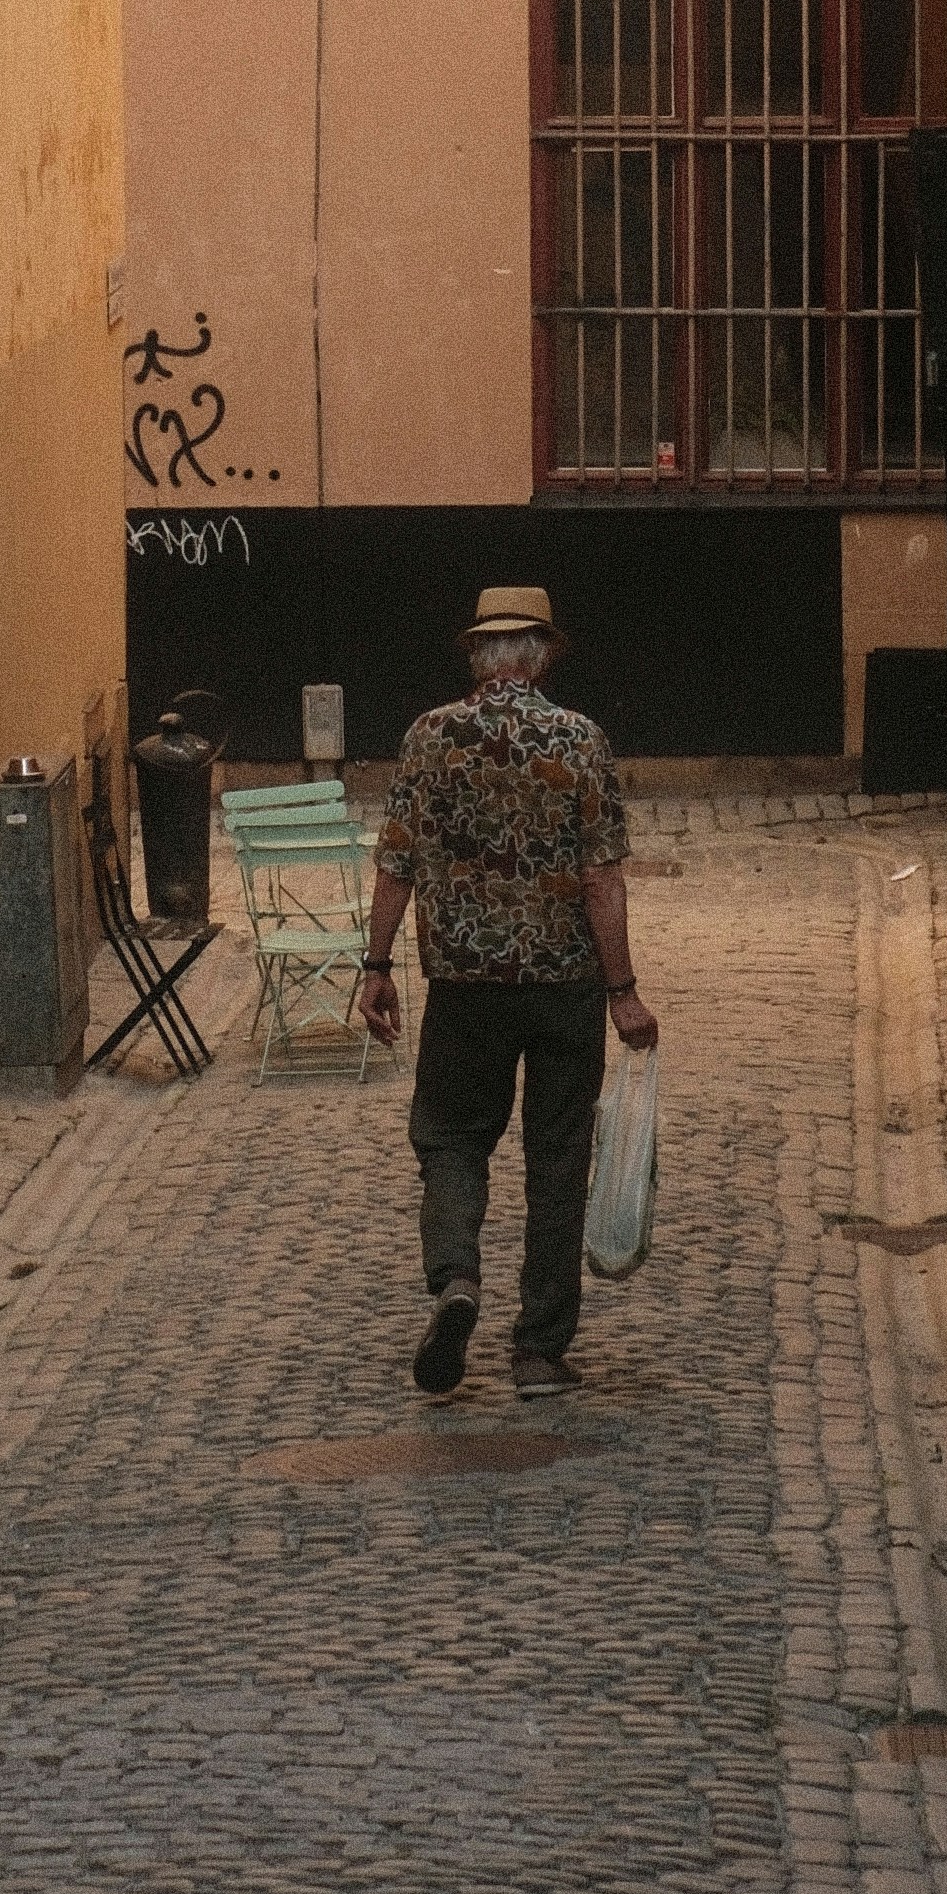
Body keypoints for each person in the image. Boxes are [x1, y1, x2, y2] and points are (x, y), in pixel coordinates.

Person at [355, 579, 656, 1391]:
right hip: (563, 988)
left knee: (450, 1137)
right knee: (558, 1157)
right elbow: (602, 877)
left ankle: (456, 1277)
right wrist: (622, 988)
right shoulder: (580, 741)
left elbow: (395, 863)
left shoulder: (428, 738)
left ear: (479, 656)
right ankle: (537, 1351)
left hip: (465, 986)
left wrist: (375, 966)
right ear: (543, 653)